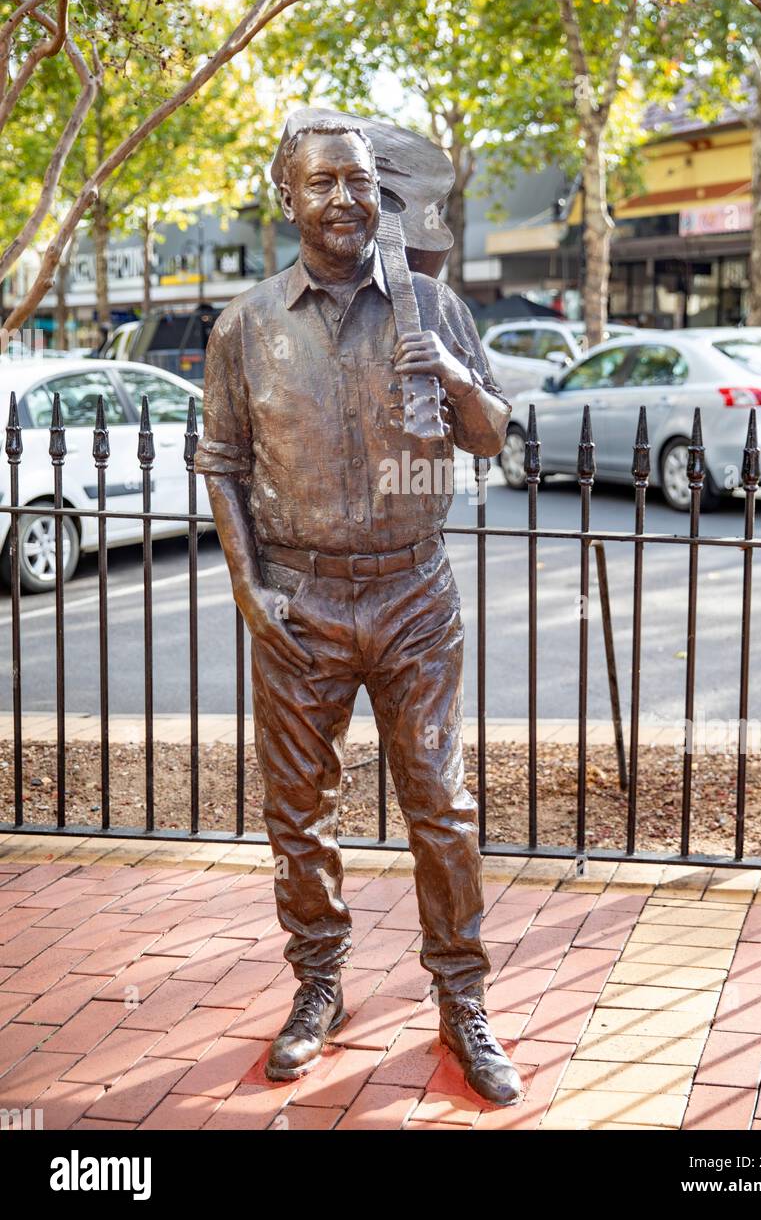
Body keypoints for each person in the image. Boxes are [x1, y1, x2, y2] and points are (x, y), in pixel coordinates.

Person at [195, 118, 521, 1106]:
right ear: (287, 199)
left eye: (360, 182)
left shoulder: (430, 303)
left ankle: (461, 999)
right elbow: (223, 466)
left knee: (443, 806)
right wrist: (250, 586)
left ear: (381, 198)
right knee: (298, 813)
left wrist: (455, 377)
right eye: (322, 182)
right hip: (298, 600)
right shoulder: (244, 327)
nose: (344, 197)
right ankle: (317, 984)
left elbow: (491, 439)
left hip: (413, 590)